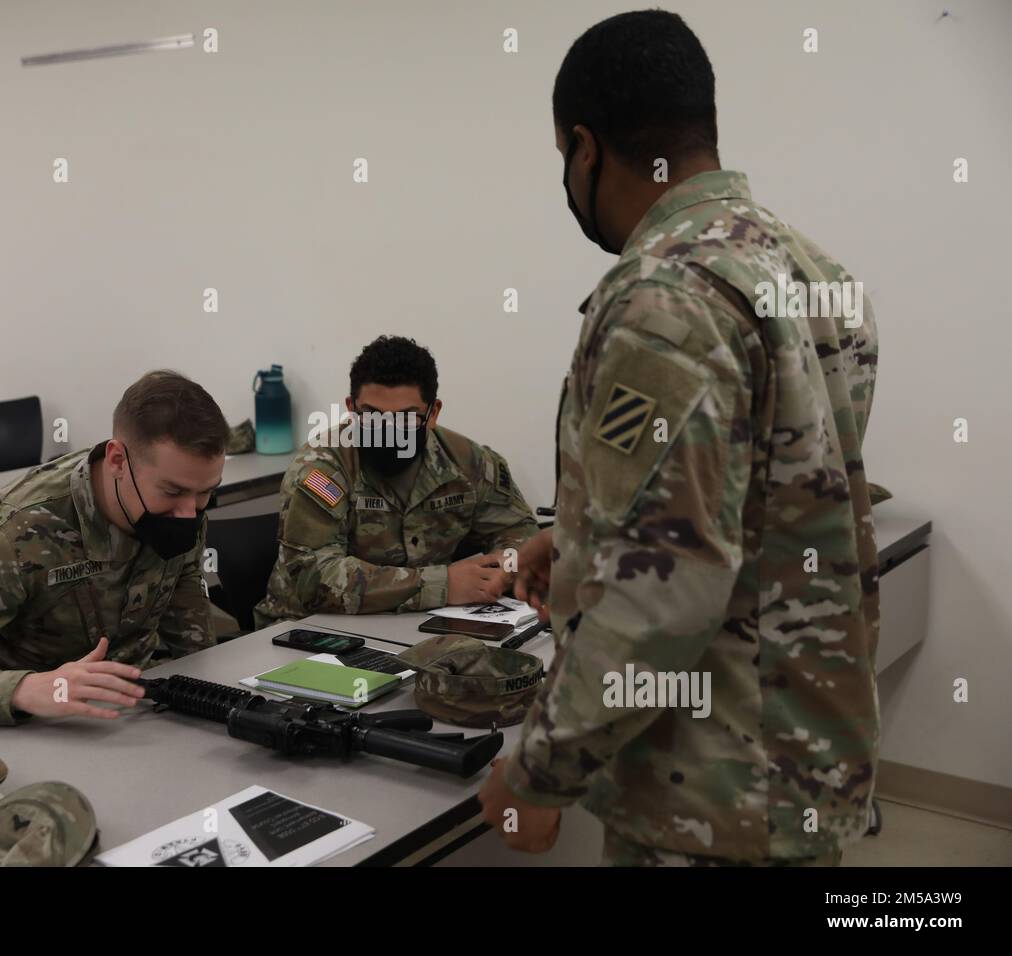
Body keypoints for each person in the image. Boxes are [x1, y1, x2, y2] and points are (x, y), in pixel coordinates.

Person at [478, 10, 880, 867]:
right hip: (796, 764)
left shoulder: (662, 297)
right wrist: (577, 535)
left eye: (563, 161)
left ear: (586, 149)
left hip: (706, 792)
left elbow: (663, 599)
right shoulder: (813, 271)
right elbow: (772, 497)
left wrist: (533, 775)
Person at [0, 370, 227, 730]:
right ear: (118, 461)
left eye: (205, 492)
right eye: (172, 491)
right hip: (19, 730)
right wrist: (23, 689)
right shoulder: (11, 533)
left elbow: (192, 641)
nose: (189, 512)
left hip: (127, 719)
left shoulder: (181, 505)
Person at [254, 335, 538, 627]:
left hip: (417, 625)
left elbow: (520, 529)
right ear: (351, 408)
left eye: (406, 418)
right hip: (310, 629)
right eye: (373, 416)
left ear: (433, 413)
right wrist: (442, 585)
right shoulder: (323, 470)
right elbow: (314, 579)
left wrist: (504, 566)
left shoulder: (467, 462)